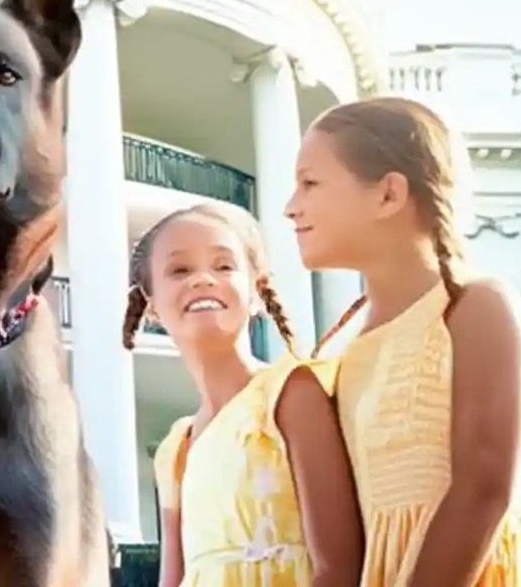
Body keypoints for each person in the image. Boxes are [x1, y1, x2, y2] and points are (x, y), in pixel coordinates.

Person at [287, 97, 521, 586]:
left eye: (310, 183)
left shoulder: (474, 307)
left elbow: (482, 489)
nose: (291, 207)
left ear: (388, 195)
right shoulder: (345, 356)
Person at [125, 201, 363, 587]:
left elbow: (339, 567)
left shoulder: (291, 393)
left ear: (256, 293)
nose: (202, 279)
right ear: (150, 306)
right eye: (179, 269)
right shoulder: (175, 450)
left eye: (223, 266)